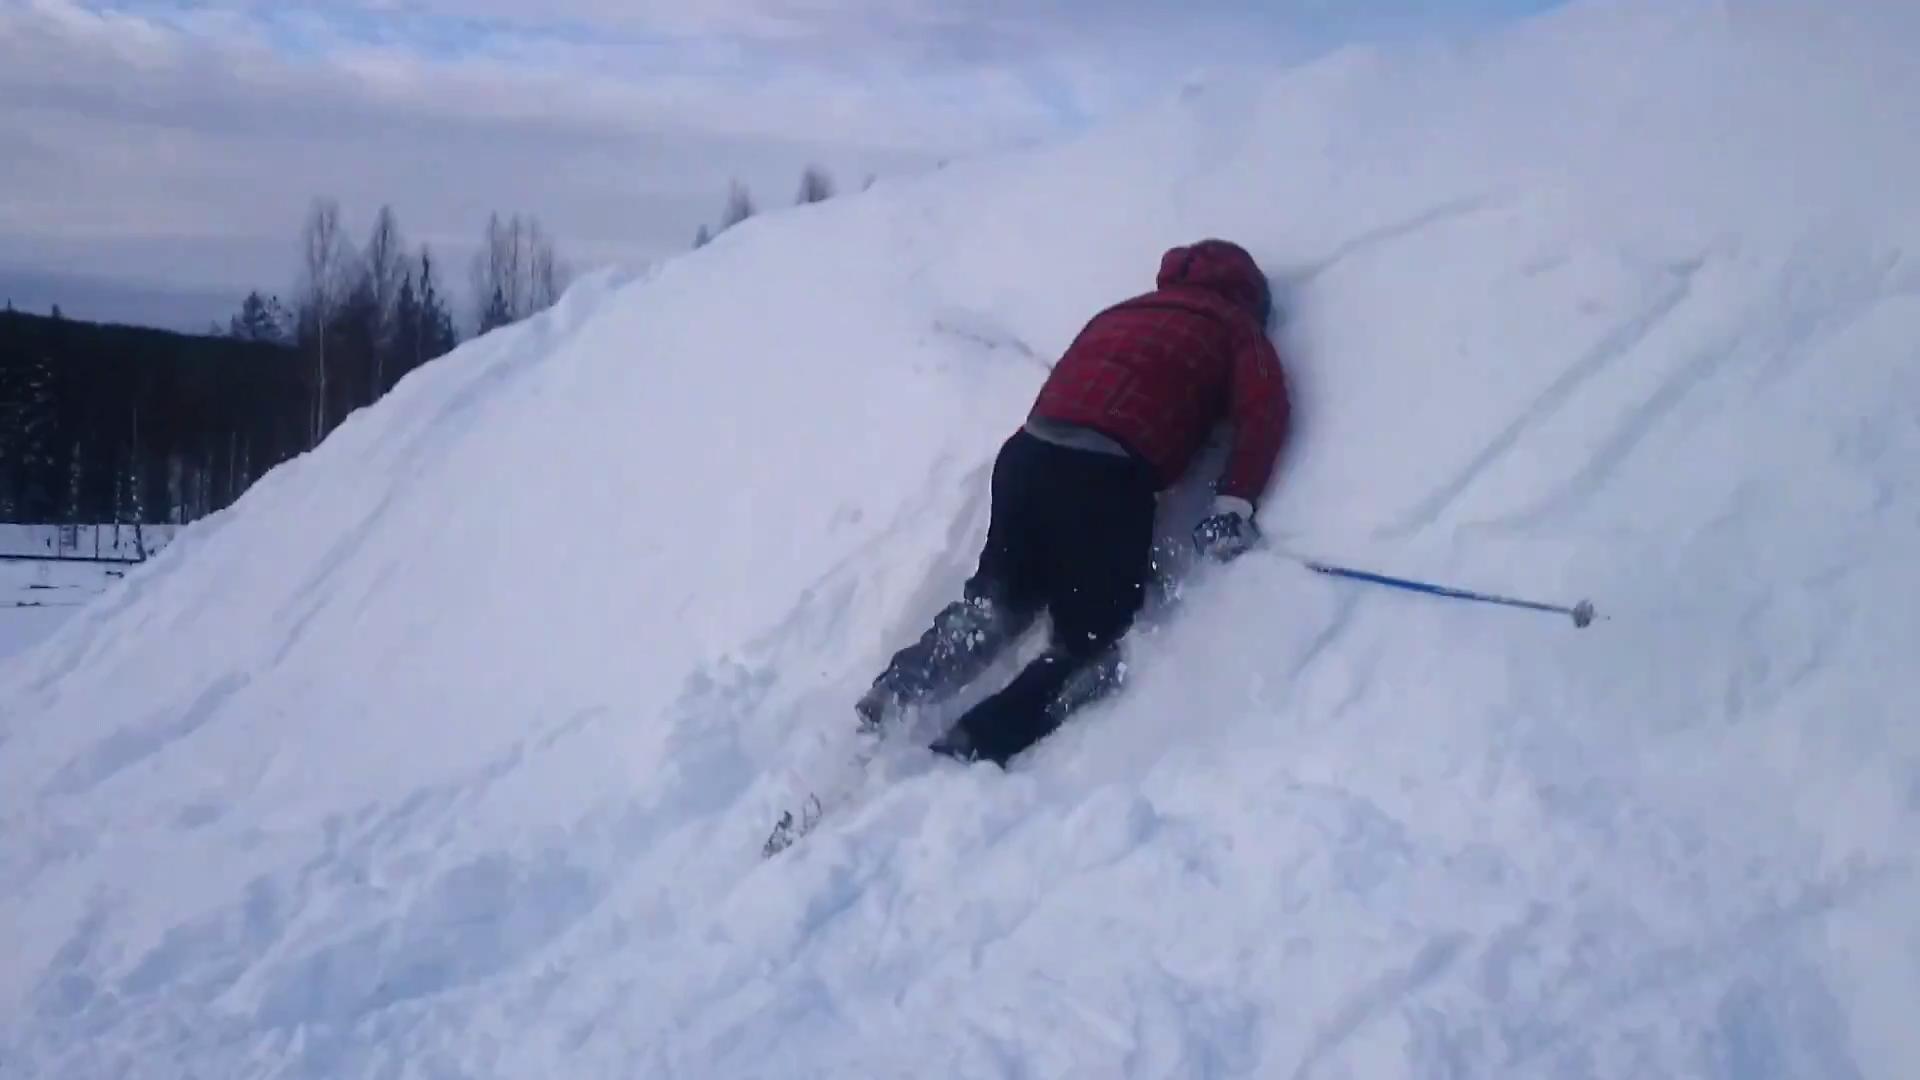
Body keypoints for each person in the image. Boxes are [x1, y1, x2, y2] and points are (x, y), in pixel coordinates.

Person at [856, 239, 1291, 766]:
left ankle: (894, 695)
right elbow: (1264, 414)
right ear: (1250, 295)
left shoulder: (1121, 311)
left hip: (1027, 455)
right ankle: (975, 743)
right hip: (1105, 475)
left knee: (997, 604)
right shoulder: (1234, 327)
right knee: (1092, 641)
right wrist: (1234, 504)